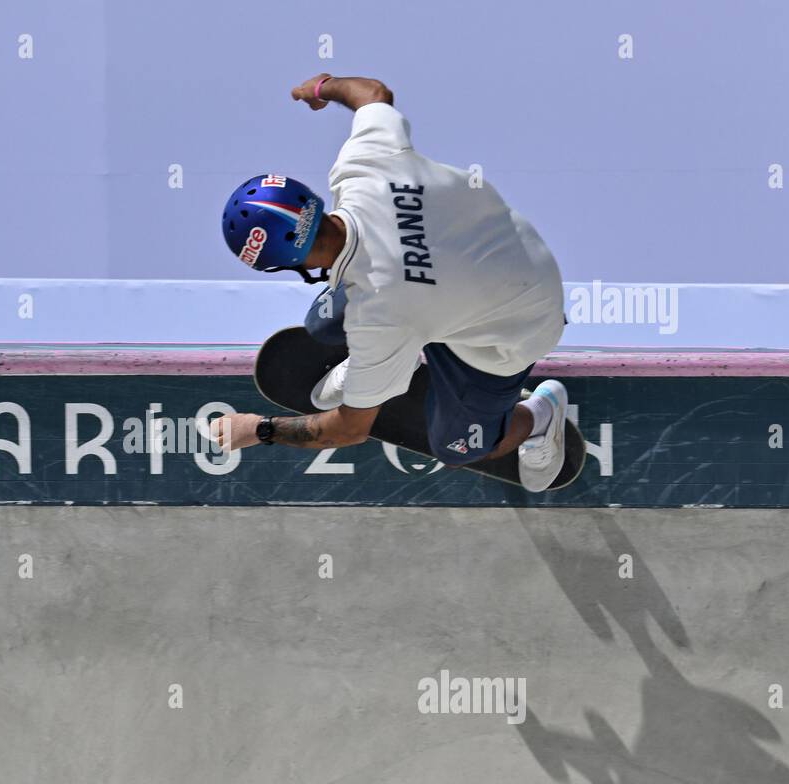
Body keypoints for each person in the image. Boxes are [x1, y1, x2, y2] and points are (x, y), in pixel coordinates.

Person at [213, 73, 569, 491]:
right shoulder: (362, 166)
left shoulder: (380, 313)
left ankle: (541, 415)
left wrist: (259, 429)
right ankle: (391, 358)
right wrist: (320, 88)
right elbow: (373, 94)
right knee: (325, 323)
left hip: (512, 331)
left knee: (459, 448)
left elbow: (349, 429)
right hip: (516, 257)